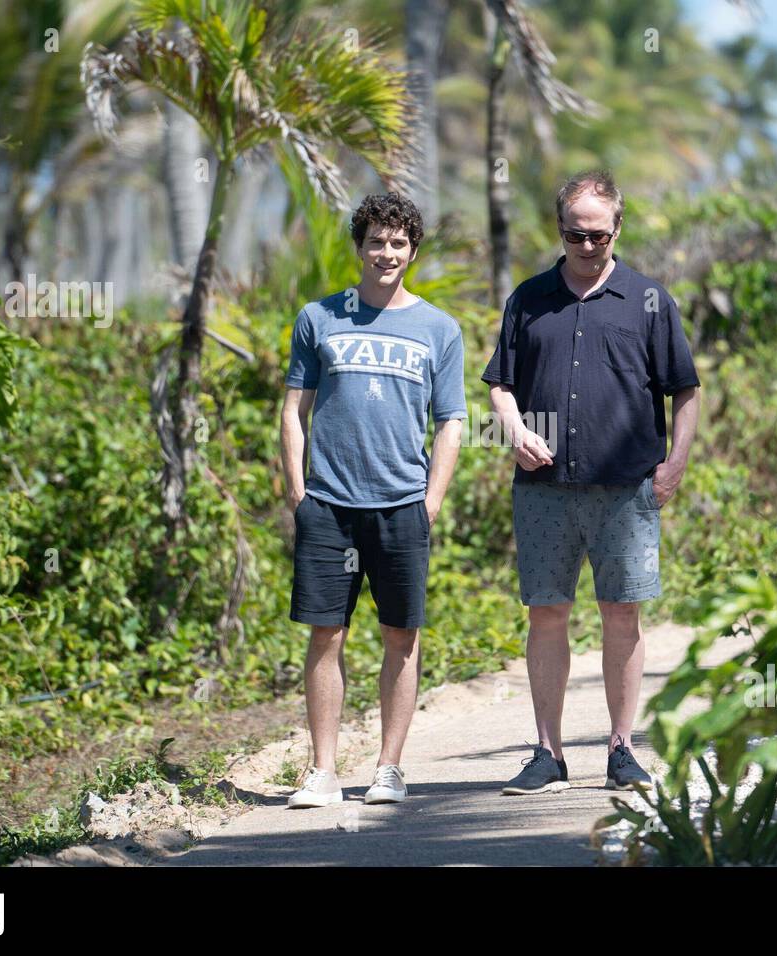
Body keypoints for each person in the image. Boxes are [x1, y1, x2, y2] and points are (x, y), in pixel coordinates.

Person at [482, 170, 700, 794]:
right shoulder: (528, 299)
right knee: (546, 613)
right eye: (575, 235)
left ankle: (622, 749)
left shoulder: (650, 300)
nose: (586, 246)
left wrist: (676, 463)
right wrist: (513, 431)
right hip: (544, 489)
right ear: (560, 231)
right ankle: (547, 753)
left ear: (618, 230)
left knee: (621, 614)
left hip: (625, 487)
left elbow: (684, 389)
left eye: (598, 236)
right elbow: (500, 382)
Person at [281, 193, 466, 807]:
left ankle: (388, 768)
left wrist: (431, 501)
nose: (386, 253)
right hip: (329, 504)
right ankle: (323, 771)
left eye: (398, 243)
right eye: (376, 242)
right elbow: (293, 411)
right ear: (358, 247)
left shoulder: (439, 328)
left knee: (400, 636)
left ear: (413, 251)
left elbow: (451, 422)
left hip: (402, 504)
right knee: (325, 634)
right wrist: (297, 492)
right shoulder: (318, 317)